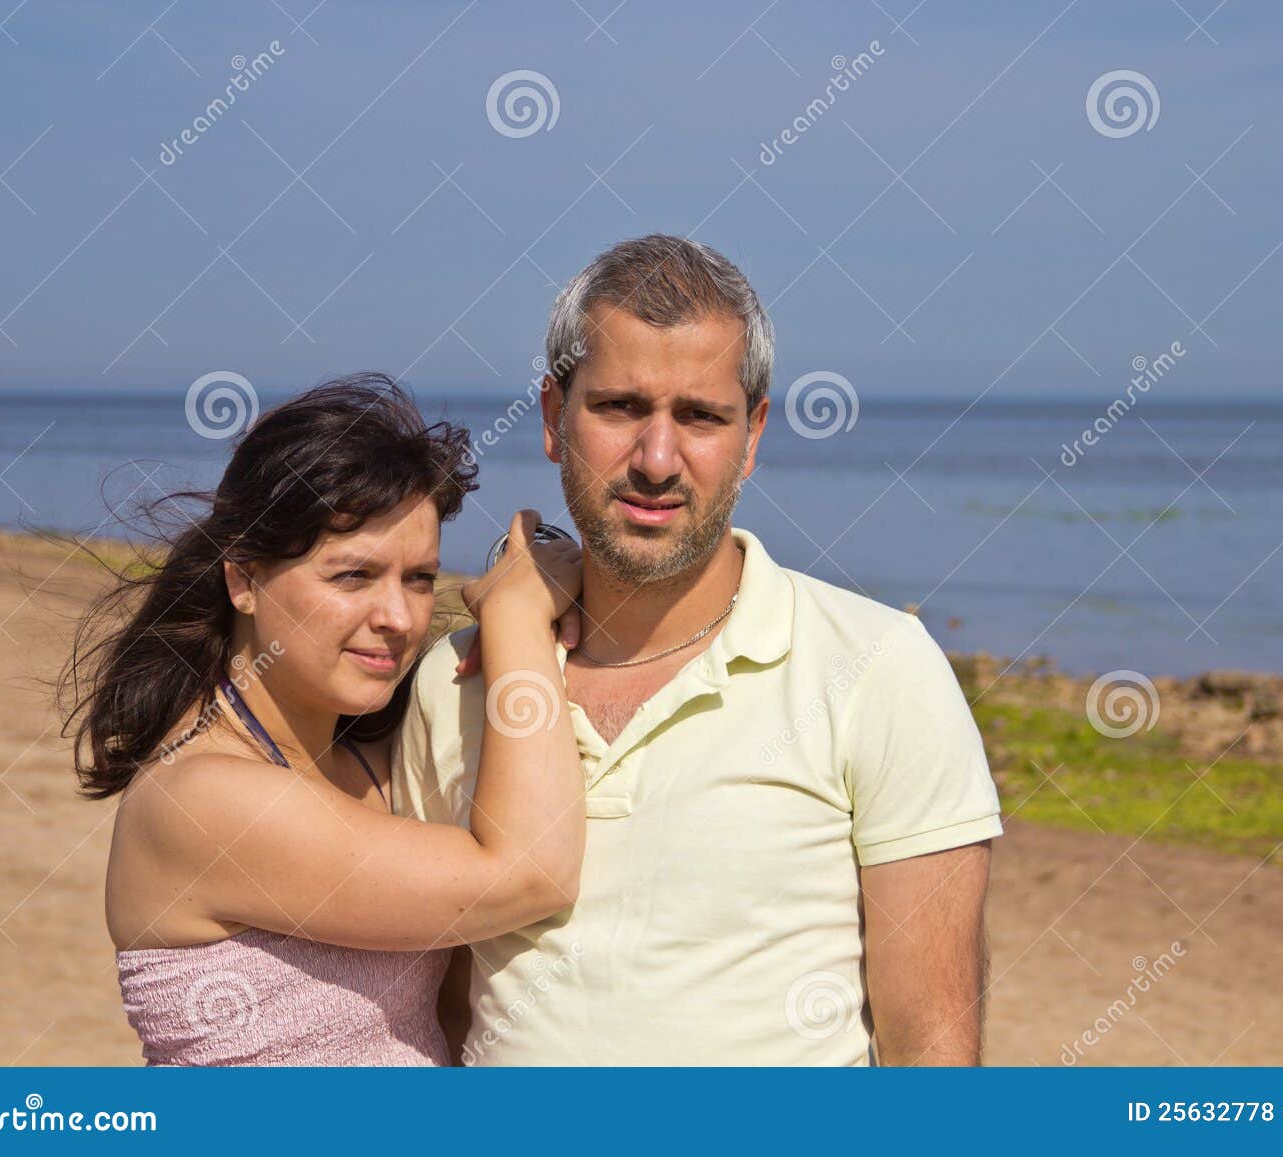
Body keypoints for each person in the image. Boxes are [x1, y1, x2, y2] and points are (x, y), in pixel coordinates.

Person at [396, 235, 1004, 1066]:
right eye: (618, 407)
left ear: (752, 434)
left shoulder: (880, 667)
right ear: (550, 417)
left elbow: (933, 1052)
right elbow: (430, 1010)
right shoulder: (452, 683)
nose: (656, 459)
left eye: (700, 416)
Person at [60, 375, 585, 1066]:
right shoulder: (203, 799)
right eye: (352, 577)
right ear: (243, 579)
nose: (398, 618)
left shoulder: (370, 753)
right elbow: (528, 873)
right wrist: (517, 613)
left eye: (420, 578)